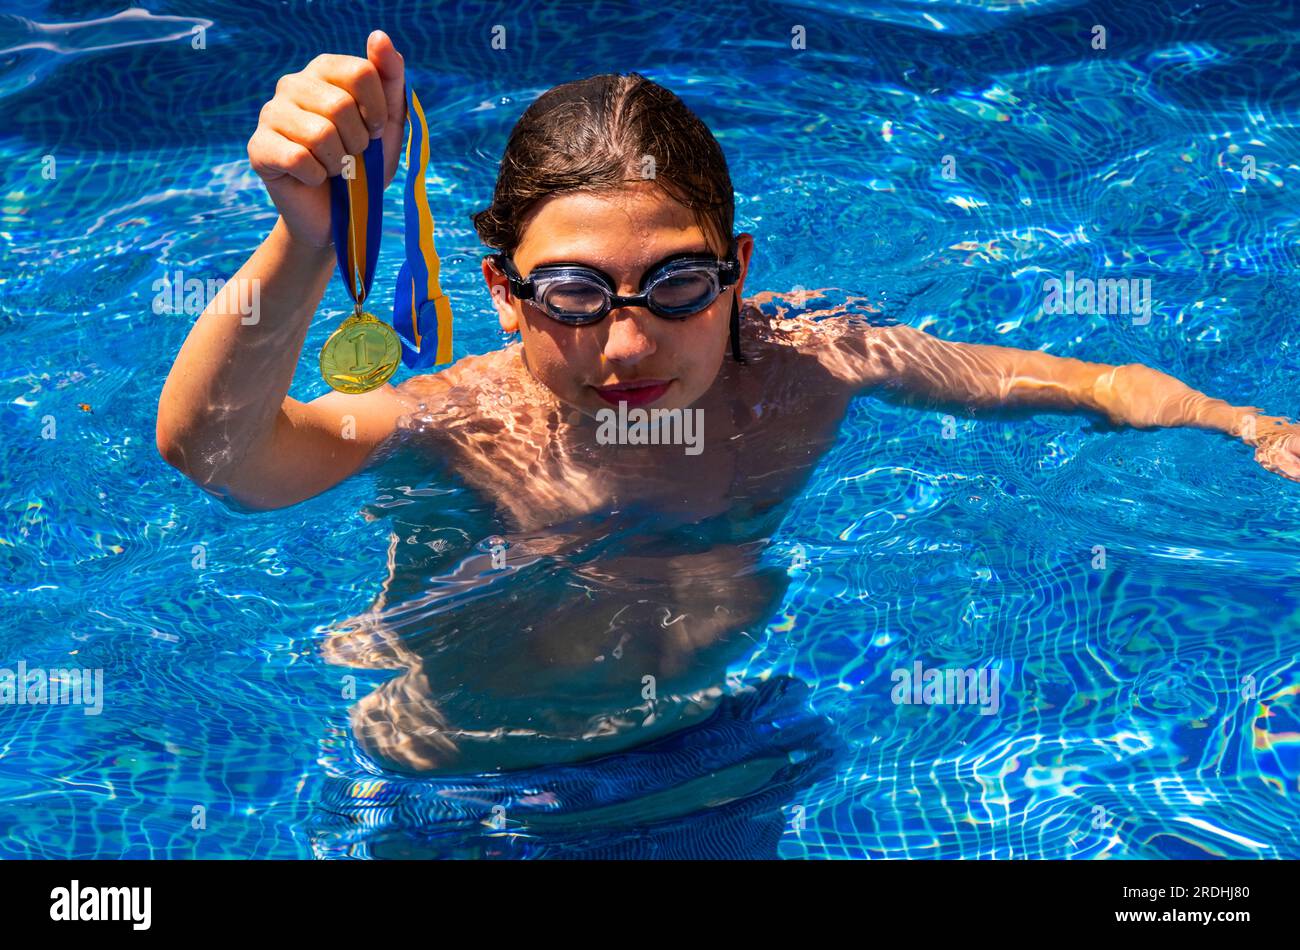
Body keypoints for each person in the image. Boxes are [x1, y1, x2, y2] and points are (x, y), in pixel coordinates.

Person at [157, 30, 1300, 782]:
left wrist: (1251, 427)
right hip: (469, 784)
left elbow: (1087, 383)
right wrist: (305, 240)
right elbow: (219, 455)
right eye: (570, 293)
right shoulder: (461, 423)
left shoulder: (812, 369)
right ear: (502, 291)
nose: (629, 338)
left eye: (678, 284)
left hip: (720, 747)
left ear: (736, 267)